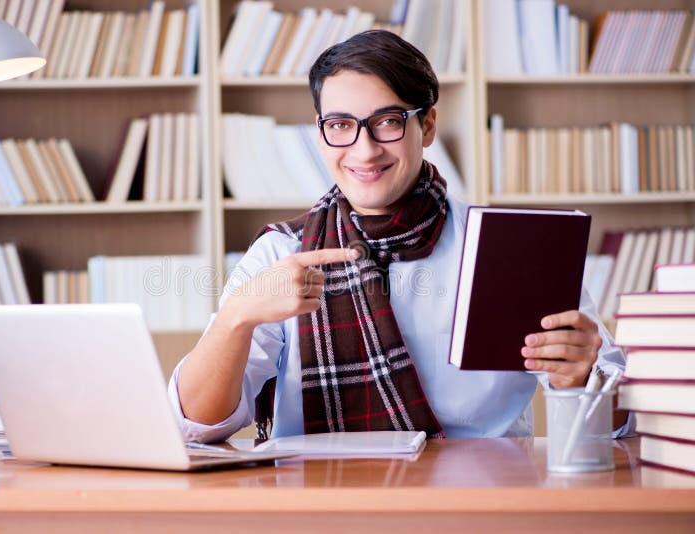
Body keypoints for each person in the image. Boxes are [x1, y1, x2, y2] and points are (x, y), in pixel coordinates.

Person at [170, 30, 632, 442]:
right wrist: (237, 318)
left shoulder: (512, 244)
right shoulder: (282, 252)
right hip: (321, 503)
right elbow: (195, 424)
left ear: (426, 125)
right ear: (321, 133)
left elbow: (620, 424)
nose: (364, 149)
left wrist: (583, 376)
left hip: (479, 504)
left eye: (388, 121)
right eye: (341, 126)